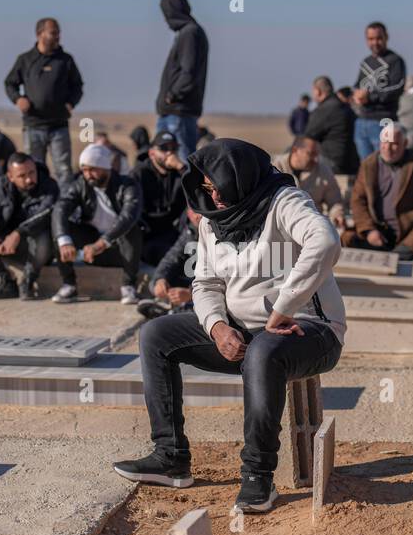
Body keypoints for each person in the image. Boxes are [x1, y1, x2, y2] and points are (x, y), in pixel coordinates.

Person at [111, 139, 345, 514]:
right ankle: (170, 457)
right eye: (207, 186)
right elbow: (204, 284)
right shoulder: (212, 221)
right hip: (244, 333)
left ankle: (257, 477)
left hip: (307, 330)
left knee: (265, 352)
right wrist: (218, 327)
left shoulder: (284, 202)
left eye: (218, 184)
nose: (214, 193)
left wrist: (284, 308)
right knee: (156, 335)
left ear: (240, 177)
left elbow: (325, 241)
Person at [341, 125, 413, 261]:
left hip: (407, 234)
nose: (388, 148)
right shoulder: (368, 165)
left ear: (405, 144)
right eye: (385, 142)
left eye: (394, 144)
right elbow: (358, 200)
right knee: (346, 239)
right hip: (376, 232)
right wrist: (369, 230)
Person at [51, 143, 143, 304]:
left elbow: (128, 216)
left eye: (92, 169)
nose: (88, 175)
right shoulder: (81, 184)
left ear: (105, 168)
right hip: (91, 249)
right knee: (61, 230)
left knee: (131, 230)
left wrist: (103, 242)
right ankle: (69, 284)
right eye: (84, 170)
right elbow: (61, 208)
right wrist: (64, 240)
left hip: (120, 249)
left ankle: (128, 286)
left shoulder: (128, 185)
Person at [0, 152, 60, 300]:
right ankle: (5, 280)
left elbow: (45, 214)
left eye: (32, 172)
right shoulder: (0, 185)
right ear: (10, 177)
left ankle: (28, 280)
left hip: (37, 248)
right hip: (6, 245)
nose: (29, 179)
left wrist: (18, 233)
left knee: (46, 233)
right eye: (22, 176)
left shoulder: (49, 185)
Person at [3, 18, 84, 187]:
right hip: (33, 125)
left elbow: (78, 85)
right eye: (53, 32)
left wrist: (71, 103)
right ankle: (38, 204)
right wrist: (18, 99)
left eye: (58, 33)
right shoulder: (25, 60)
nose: (57, 37)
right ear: (40, 34)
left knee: (63, 170)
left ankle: (65, 206)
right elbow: (10, 83)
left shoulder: (65, 60)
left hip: (58, 125)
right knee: (34, 168)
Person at [155, 0, 209, 160]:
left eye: (167, 15)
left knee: (182, 160)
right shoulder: (188, 32)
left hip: (179, 111)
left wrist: (173, 95)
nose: (166, 21)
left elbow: (188, 72)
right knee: (165, 161)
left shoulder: (190, 33)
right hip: (176, 111)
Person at [352, 22, 406, 158]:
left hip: (384, 120)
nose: (375, 42)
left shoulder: (395, 61)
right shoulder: (366, 62)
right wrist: (356, 95)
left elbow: (397, 87)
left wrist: (370, 97)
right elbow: (358, 85)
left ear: (386, 37)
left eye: (379, 38)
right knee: (366, 167)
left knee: (384, 164)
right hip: (362, 121)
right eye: (371, 39)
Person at [134, 131, 187, 266]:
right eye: (164, 148)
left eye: (174, 148)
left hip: (172, 234)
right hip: (146, 235)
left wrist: (182, 168)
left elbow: (201, 193)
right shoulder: (138, 174)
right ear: (151, 153)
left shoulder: (180, 175)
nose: (170, 153)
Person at [138, 207, 200, 320]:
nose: (197, 216)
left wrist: (192, 294)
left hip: (213, 292)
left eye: (200, 211)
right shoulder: (190, 231)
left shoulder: (218, 232)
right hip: (196, 284)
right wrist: (160, 279)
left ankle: (177, 312)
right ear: (188, 213)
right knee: (161, 282)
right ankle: (175, 311)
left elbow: (222, 279)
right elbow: (171, 258)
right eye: (193, 211)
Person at [272, 136, 346, 229]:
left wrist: (337, 214)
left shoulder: (323, 170)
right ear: (295, 150)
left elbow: (335, 200)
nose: (315, 159)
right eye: (311, 154)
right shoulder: (275, 168)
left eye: (317, 155)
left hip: (313, 227)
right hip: (281, 227)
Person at [304, 75, 358, 177]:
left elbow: (308, 141)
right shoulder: (345, 107)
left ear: (317, 91)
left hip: (333, 164)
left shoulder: (324, 110)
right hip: (351, 163)